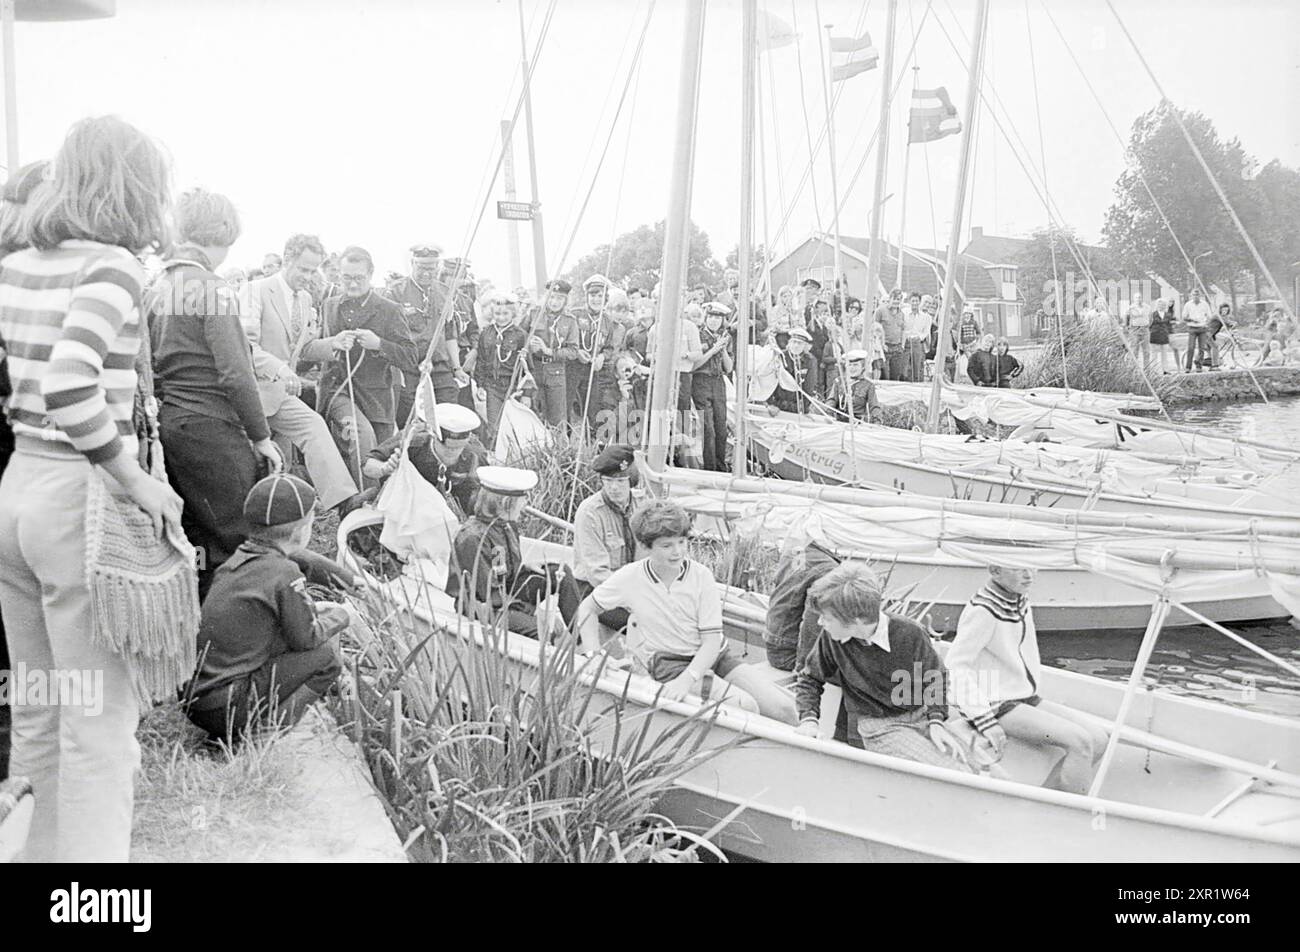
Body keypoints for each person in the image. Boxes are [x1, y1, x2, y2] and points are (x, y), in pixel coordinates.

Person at [0, 115, 183, 862]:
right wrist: (138, 480)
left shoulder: (15, 263)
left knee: (43, 712)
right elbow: (70, 381)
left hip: (18, 489)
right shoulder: (111, 266)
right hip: (79, 497)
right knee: (103, 729)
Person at [146, 188, 283, 597]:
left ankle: (198, 607)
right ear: (222, 235)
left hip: (172, 423)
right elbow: (236, 374)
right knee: (240, 531)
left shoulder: (157, 287)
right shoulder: (215, 288)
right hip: (212, 427)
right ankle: (237, 623)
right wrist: (261, 436)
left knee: (197, 528)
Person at [577, 499, 795, 722]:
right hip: (670, 663)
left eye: (682, 542)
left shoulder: (701, 576)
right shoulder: (630, 577)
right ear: (645, 547)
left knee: (785, 709)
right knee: (745, 706)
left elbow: (711, 642)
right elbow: (587, 608)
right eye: (667, 545)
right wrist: (593, 655)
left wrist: (688, 679)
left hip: (716, 656)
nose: (677, 552)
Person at [184, 474, 350, 744]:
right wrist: (342, 616)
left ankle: (250, 723)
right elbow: (306, 638)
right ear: (301, 530)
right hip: (227, 708)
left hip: (198, 704)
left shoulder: (237, 560)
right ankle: (263, 732)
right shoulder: (284, 572)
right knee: (327, 658)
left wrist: (317, 610)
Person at [794, 562, 971, 772]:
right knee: (955, 772)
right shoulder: (832, 639)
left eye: (827, 617)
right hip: (879, 727)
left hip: (920, 715)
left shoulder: (910, 633)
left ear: (856, 620)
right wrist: (809, 720)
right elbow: (809, 678)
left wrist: (936, 721)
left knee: (982, 766)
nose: (821, 622)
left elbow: (935, 676)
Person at [946, 565, 1107, 794]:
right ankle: (1075, 816)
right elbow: (956, 665)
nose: (1029, 575)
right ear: (995, 571)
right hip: (995, 704)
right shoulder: (984, 609)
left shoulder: (1018, 598)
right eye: (1018, 569)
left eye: (1032, 567)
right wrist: (983, 719)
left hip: (1023, 697)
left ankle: (1044, 801)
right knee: (1079, 742)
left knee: (1098, 738)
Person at [243, 233, 360, 511]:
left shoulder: (305, 298)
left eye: (313, 270)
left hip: (280, 394)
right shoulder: (255, 290)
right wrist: (282, 370)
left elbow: (303, 347)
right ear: (287, 260)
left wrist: (334, 342)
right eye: (304, 269)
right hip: (249, 394)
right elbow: (246, 346)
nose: (308, 276)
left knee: (314, 426)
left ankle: (344, 502)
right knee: (257, 465)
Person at [316, 246, 419, 487]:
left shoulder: (389, 309)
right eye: (346, 278)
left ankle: (381, 511)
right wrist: (332, 344)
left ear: (370, 275)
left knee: (381, 461)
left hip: (377, 396)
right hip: (339, 389)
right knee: (362, 437)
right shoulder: (329, 305)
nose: (351, 285)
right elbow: (319, 345)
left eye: (358, 278)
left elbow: (410, 356)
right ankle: (361, 510)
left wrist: (378, 344)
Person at [447, 466, 581, 640]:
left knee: (559, 572)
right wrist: (535, 613)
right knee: (542, 629)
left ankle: (583, 640)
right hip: (483, 606)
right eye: (522, 499)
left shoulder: (507, 526)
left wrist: (524, 568)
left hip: (504, 593)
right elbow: (491, 595)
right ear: (505, 503)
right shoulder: (473, 538)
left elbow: (501, 572)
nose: (525, 505)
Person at [363, 402, 487, 517]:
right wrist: (385, 468)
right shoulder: (412, 442)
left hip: (454, 516)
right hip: (406, 509)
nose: (451, 452)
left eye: (458, 448)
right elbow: (367, 466)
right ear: (433, 435)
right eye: (446, 447)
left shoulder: (475, 454)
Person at [388, 243, 465, 417]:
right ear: (412, 264)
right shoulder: (395, 292)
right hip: (409, 370)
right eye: (421, 267)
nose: (426, 273)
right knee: (411, 419)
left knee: (448, 416)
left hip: (440, 369)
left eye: (431, 268)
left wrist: (457, 368)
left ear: (437, 267)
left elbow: (450, 332)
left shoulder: (445, 292)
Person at [572, 445, 641, 633]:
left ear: (632, 480)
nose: (614, 487)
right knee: (645, 623)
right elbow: (597, 574)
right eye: (608, 480)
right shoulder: (590, 513)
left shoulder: (641, 506)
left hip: (633, 589)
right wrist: (634, 600)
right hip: (595, 592)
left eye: (621, 480)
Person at [469, 290, 530, 449]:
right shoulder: (486, 333)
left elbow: (527, 369)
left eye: (505, 313)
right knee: (494, 426)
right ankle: (496, 456)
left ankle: (514, 456)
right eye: (497, 313)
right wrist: (480, 385)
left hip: (513, 388)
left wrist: (527, 393)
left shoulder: (520, 335)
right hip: (492, 387)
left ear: (513, 313)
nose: (501, 317)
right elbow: (481, 361)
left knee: (513, 425)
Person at [525, 278, 579, 428]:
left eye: (560, 298)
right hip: (534, 369)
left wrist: (548, 351)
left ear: (566, 300)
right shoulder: (534, 314)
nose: (554, 302)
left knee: (557, 418)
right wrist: (529, 347)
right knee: (533, 415)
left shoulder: (570, 321)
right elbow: (520, 337)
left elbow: (573, 351)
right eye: (552, 297)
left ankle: (557, 449)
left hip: (556, 371)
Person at [692, 301, 733, 471]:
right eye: (711, 317)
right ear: (706, 318)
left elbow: (729, 367)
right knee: (708, 429)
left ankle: (721, 467)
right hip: (701, 382)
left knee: (721, 428)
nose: (714, 321)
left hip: (718, 383)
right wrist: (713, 350)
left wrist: (722, 349)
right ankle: (710, 468)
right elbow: (694, 365)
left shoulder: (725, 337)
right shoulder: (697, 335)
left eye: (718, 318)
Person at [767, 327, 818, 414]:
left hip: (797, 406)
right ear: (789, 343)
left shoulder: (810, 361)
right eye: (794, 342)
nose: (796, 345)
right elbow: (769, 380)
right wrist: (770, 404)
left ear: (805, 346)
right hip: (777, 404)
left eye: (800, 343)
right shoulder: (780, 356)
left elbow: (809, 387)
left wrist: (803, 408)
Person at [826, 349, 880, 423]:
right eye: (849, 365)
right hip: (838, 422)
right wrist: (828, 414)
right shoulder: (839, 381)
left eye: (856, 365)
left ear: (862, 367)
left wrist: (877, 421)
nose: (852, 368)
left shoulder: (868, 385)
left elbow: (874, 406)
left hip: (857, 424)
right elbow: (832, 400)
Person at [1182, 287, 1213, 371]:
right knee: (1191, 347)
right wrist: (1192, 320)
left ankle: (1199, 366)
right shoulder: (1188, 304)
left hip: (1202, 328)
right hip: (1192, 328)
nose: (1196, 296)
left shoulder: (1205, 304)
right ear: (1191, 295)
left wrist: (1206, 324)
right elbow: (1184, 317)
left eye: (1198, 295)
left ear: (1200, 296)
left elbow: (1209, 316)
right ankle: (1188, 367)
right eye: (1194, 295)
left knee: (1201, 348)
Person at [901, 291, 930, 382]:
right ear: (909, 302)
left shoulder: (925, 316)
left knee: (917, 366)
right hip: (906, 342)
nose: (915, 303)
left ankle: (916, 383)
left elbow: (926, 331)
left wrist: (920, 337)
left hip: (917, 342)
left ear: (920, 302)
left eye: (917, 301)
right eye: (913, 301)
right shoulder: (904, 313)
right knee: (904, 366)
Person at [1148, 298, 1177, 373]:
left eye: (1163, 305)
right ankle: (1154, 370)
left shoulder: (1168, 315)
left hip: (1164, 335)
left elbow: (1169, 325)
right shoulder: (1152, 314)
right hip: (1154, 335)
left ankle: (1165, 370)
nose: (1161, 306)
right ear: (1157, 305)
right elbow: (1149, 325)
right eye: (1160, 304)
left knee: (1164, 353)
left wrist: (1171, 335)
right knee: (1154, 353)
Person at [1124, 291, 1151, 371]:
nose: (1138, 299)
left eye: (1139, 297)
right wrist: (1129, 328)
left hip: (1145, 330)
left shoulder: (1147, 307)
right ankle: (1133, 369)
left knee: (1146, 350)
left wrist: (1147, 325)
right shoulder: (1130, 308)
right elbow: (1126, 319)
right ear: (1133, 299)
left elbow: (1151, 318)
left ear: (1142, 298)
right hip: (1134, 330)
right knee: (1134, 350)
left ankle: (1147, 369)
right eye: (1136, 297)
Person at [1207, 302, 1233, 370]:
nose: (1224, 312)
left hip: (1211, 335)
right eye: (1223, 310)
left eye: (1226, 310)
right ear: (1220, 310)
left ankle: (1211, 365)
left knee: (1210, 350)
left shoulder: (1223, 317)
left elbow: (1227, 326)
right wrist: (1233, 323)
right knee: (1215, 347)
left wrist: (1231, 328)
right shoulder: (1217, 316)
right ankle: (1214, 366)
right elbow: (1226, 322)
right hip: (1207, 334)